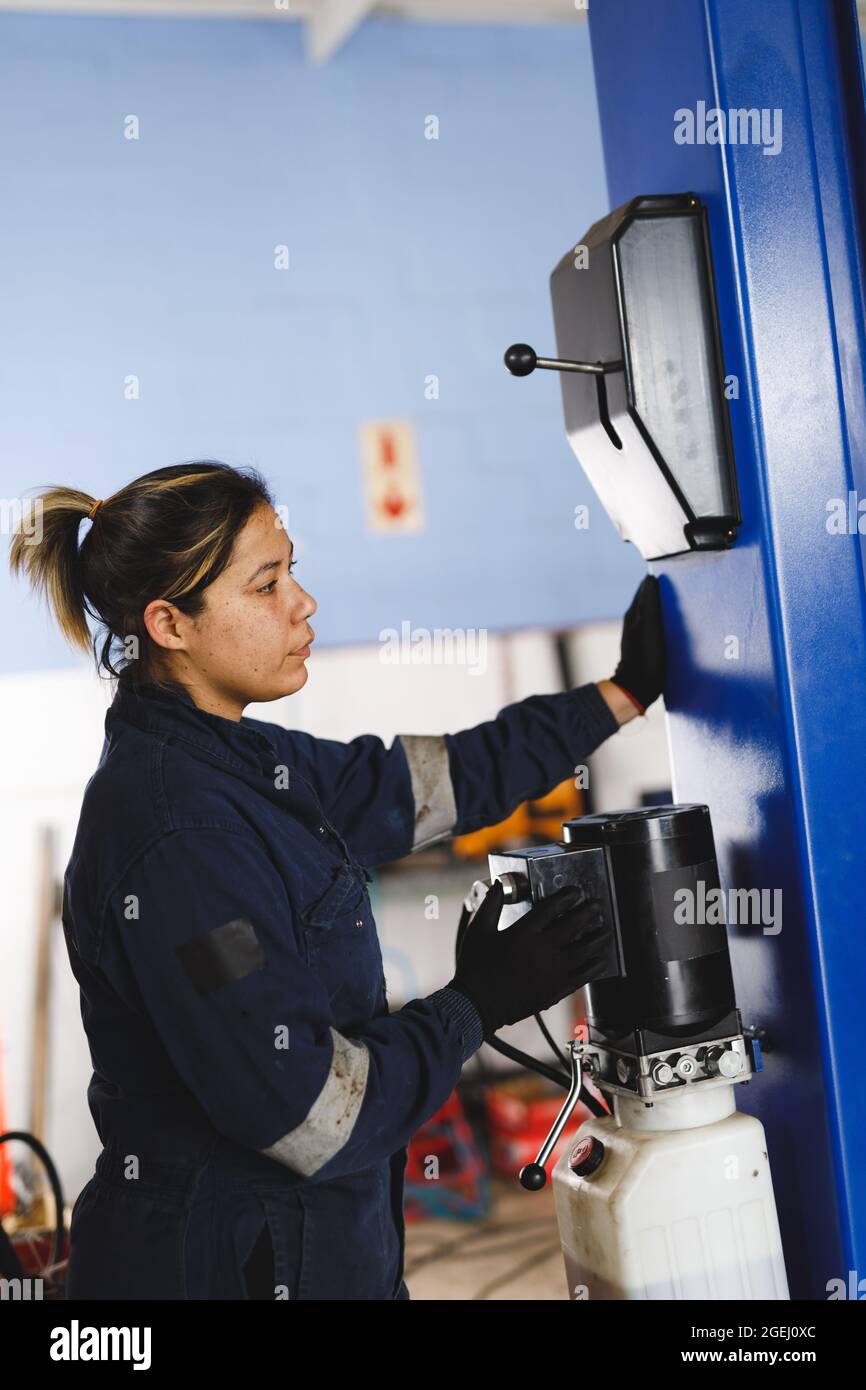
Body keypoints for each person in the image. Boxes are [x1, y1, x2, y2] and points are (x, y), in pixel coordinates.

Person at [8, 460, 666, 1301]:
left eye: (293, 569)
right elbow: (311, 1116)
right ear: (170, 623)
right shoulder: (179, 840)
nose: (303, 602)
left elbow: (429, 786)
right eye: (267, 583)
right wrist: (478, 1003)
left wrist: (617, 695)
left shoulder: (248, 762)